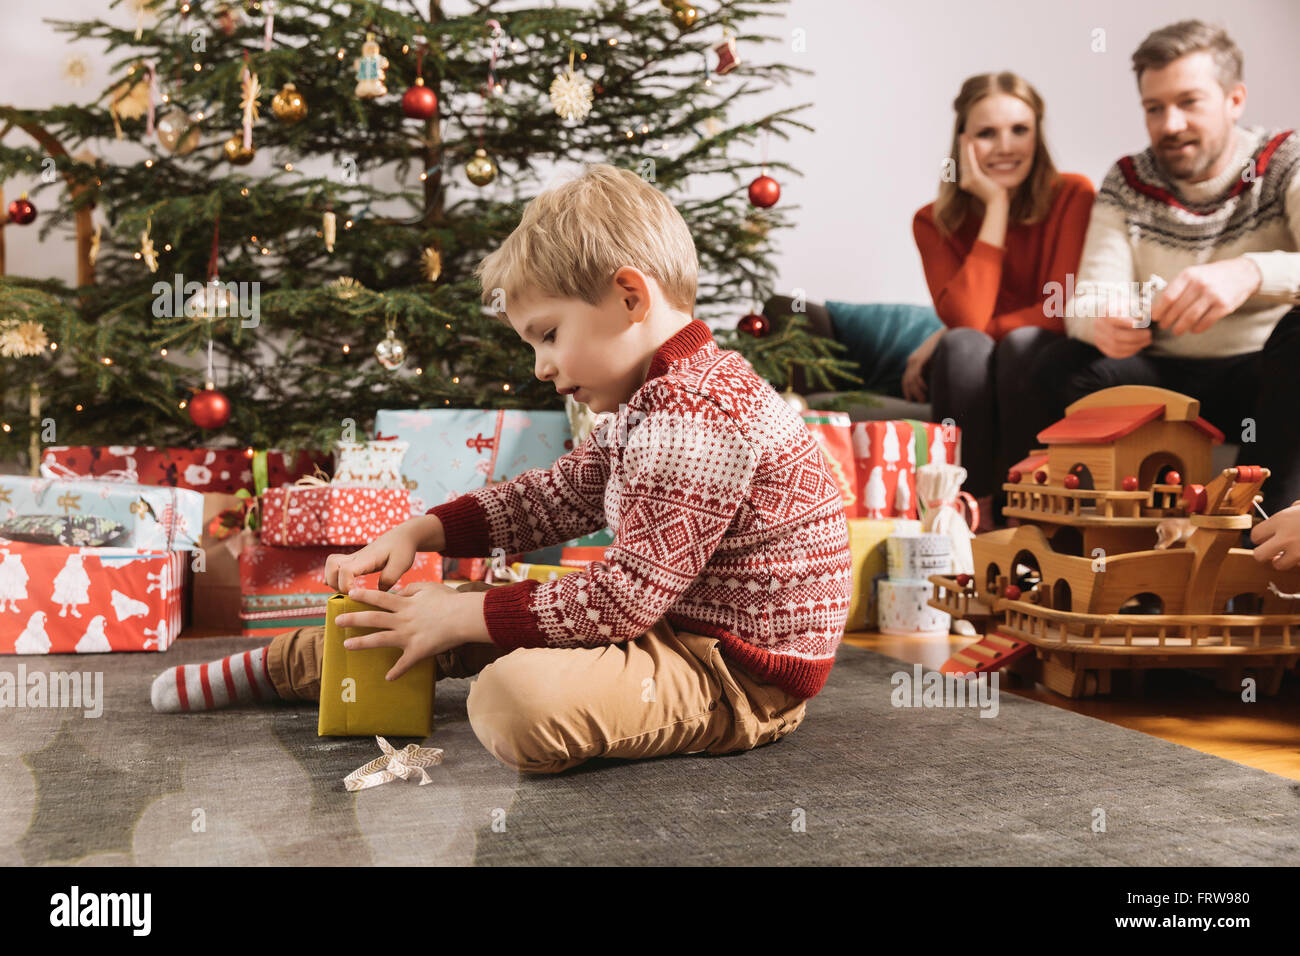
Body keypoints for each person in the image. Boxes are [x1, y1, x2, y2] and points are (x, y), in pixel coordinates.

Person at [150, 164, 854, 776]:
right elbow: (555, 499)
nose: (541, 367)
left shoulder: (694, 414)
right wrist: (425, 531)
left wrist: (465, 613)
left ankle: (355, 658)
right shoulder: (662, 398)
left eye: (548, 336)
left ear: (630, 298)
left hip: (735, 674)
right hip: (675, 624)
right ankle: (280, 668)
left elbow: (623, 603)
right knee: (441, 617)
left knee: (510, 696)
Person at [1028, 19, 1300, 516]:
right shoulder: (1128, 179)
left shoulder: (1284, 162)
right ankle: (1102, 536)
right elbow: (1085, 300)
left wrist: (1252, 272)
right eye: (1154, 108)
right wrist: (1099, 324)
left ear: (1234, 100)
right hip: (1165, 374)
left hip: (1265, 374)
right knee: (1058, 363)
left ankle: (1254, 529)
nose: (1170, 124)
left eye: (1188, 102)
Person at [910, 72, 1095, 527]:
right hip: (970, 362)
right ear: (963, 142)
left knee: (1015, 343)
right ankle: (967, 515)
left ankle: (1023, 512)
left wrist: (940, 337)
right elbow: (968, 323)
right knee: (962, 347)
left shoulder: (1074, 195)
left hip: (1039, 357)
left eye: (1019, 130)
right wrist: (995, 206)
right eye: (987, 134)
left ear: (1038, 134)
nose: (1006, 146)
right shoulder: (932, 221)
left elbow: (1057, 311)